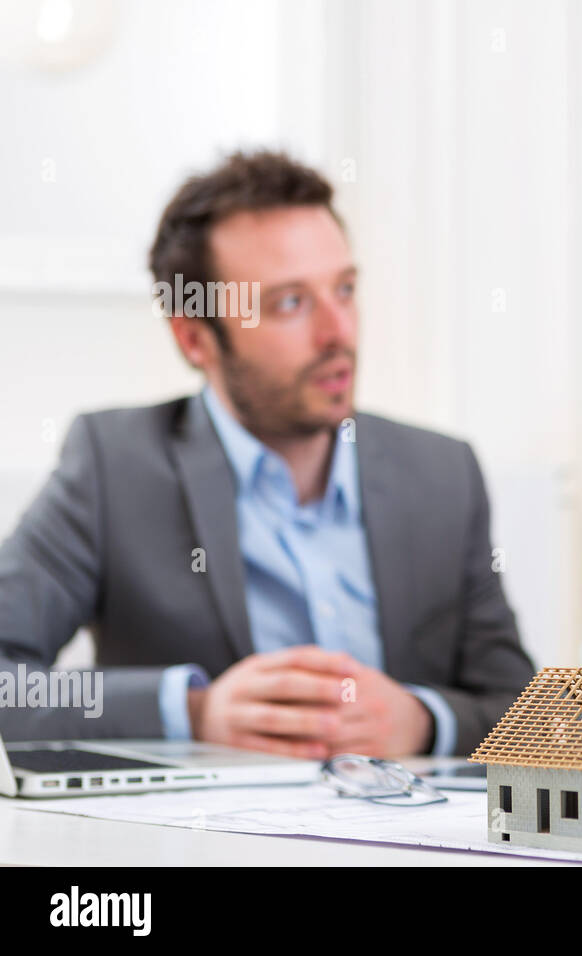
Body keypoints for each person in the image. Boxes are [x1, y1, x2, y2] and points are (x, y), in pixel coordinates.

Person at [0, 151, 535, 759]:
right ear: (195, 337)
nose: (339, 332)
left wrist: (423, 720)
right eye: (289, 303)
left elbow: (517, 705)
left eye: (345, 289)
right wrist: (192, 712)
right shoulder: (113, 466)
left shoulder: (442, 473)